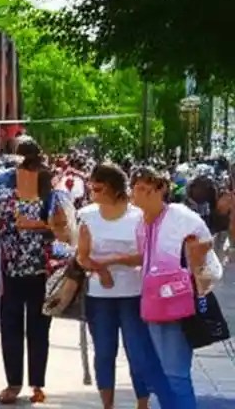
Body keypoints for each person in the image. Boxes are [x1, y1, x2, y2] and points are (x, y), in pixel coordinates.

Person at [0, 142, 73, 405]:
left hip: (40, 268)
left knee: (37, 328)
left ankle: (35, 383)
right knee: (12, 326)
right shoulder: (0, 183)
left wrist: (36, 225)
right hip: (8, 267)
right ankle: (15, 383)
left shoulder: (49, 187)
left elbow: (64, 231)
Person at [132, 165, 222, 409]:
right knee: (162, 372)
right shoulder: (142, 221)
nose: (137, 193)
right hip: (152, 302)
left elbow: (203, 240)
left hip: (175, 302)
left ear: (159, 190)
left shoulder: (178, 215)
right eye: (135, 188)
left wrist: (192, 270)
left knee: (174, 372)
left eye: (143, 188)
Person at [77, 163, 159, 409]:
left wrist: (114, 261)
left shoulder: (137, 216)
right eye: (92, 188)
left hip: (133, 293)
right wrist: (100, 270)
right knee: (103, 352)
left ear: (114, 189)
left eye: (99, 188)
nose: (94, 193)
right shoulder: (88, 215)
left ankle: (142, 403)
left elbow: (146, 254)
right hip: (99, 295)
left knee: (138, 352)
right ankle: (107, 404)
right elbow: (82, 256)